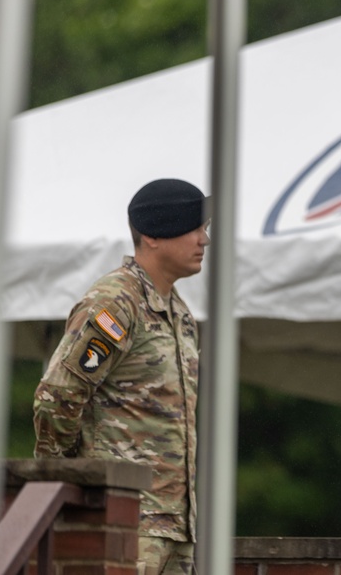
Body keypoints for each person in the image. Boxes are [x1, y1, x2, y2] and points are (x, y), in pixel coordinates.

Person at [33, 178, 210, 575]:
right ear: (153, 236)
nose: (204, 240)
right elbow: (57, 396)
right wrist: (62, 484)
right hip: (123, 520)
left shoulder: (179, 313)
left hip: (173, 528)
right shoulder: (117, 302)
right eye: (193, 227)